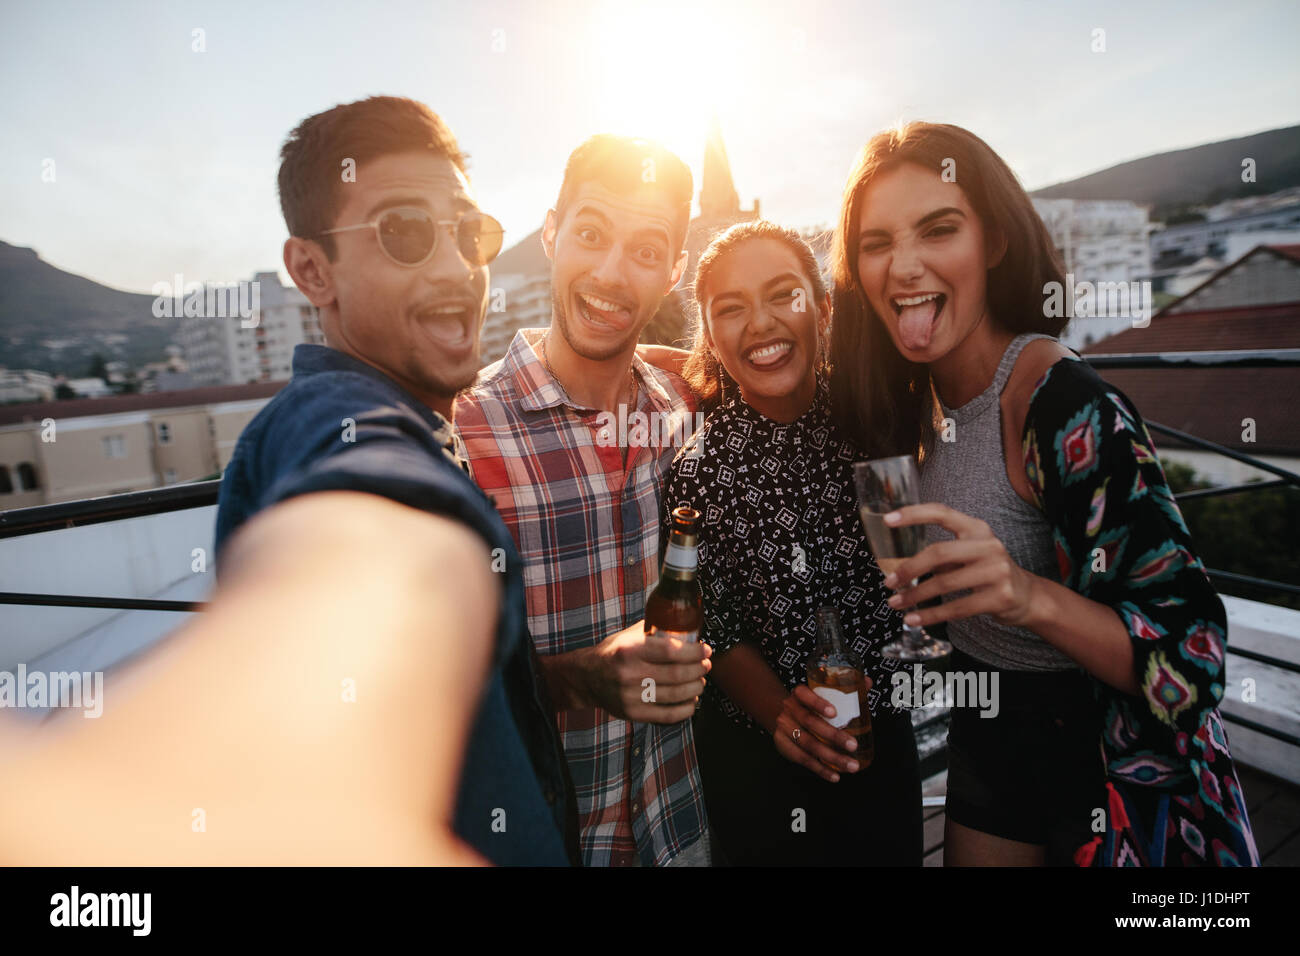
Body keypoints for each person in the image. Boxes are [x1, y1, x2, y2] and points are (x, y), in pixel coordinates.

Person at [828, 121, 1259, 866]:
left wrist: (1025, 595)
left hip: (1106, 754)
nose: (903, 266)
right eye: (876, 243)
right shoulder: (912, 400)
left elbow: (1197, 665)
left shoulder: (1061, 404)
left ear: (993, 243)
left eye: (938, 229)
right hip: (991, 728)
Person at [213, 96, 577, 865]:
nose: (457, 267)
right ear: (313, 270)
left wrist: (577, 679)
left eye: (469, 233)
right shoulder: (331, 418)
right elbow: (368, 524)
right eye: (404, 231)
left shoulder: (426, 421)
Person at [455, 135, 711, 867]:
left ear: (673, 273)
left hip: (682, 830)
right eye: (591, 234)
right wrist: (574, 679)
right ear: (551, 234)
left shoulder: (683, 408)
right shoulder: (462, 433)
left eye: (645, 249)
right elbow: (425, 684)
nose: (610, 272)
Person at [663, 220, 922, 866]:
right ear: (712, 335)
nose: (760, 324)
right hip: (760, 758)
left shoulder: (875, 418)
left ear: (824, 308)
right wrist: (786, 717)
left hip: (881, 739)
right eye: (731, 309)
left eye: (785, 295)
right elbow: (709, 623)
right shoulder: (695, 470)